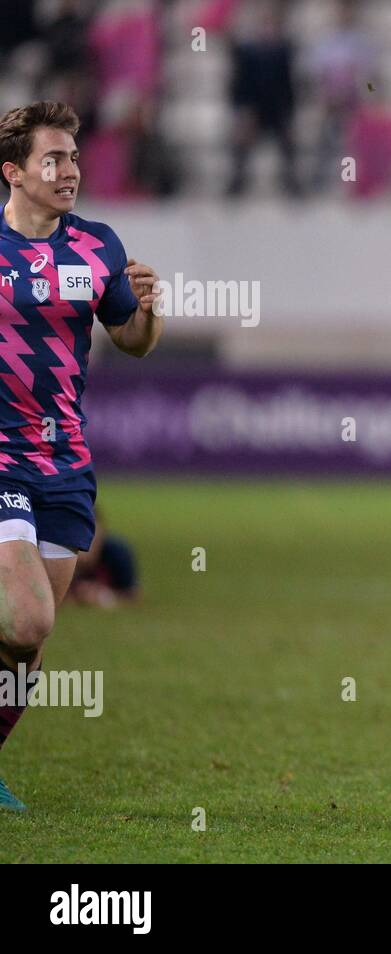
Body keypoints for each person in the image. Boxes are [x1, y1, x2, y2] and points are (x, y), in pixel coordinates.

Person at [0, 102, 163, 811]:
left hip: (65, 463)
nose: (70, 171)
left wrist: (151, 309)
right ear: (13, 171)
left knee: (27, 649)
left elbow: (131, 339)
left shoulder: (96, 245)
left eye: (73, 157)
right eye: (53, 159)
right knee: (27, 618)